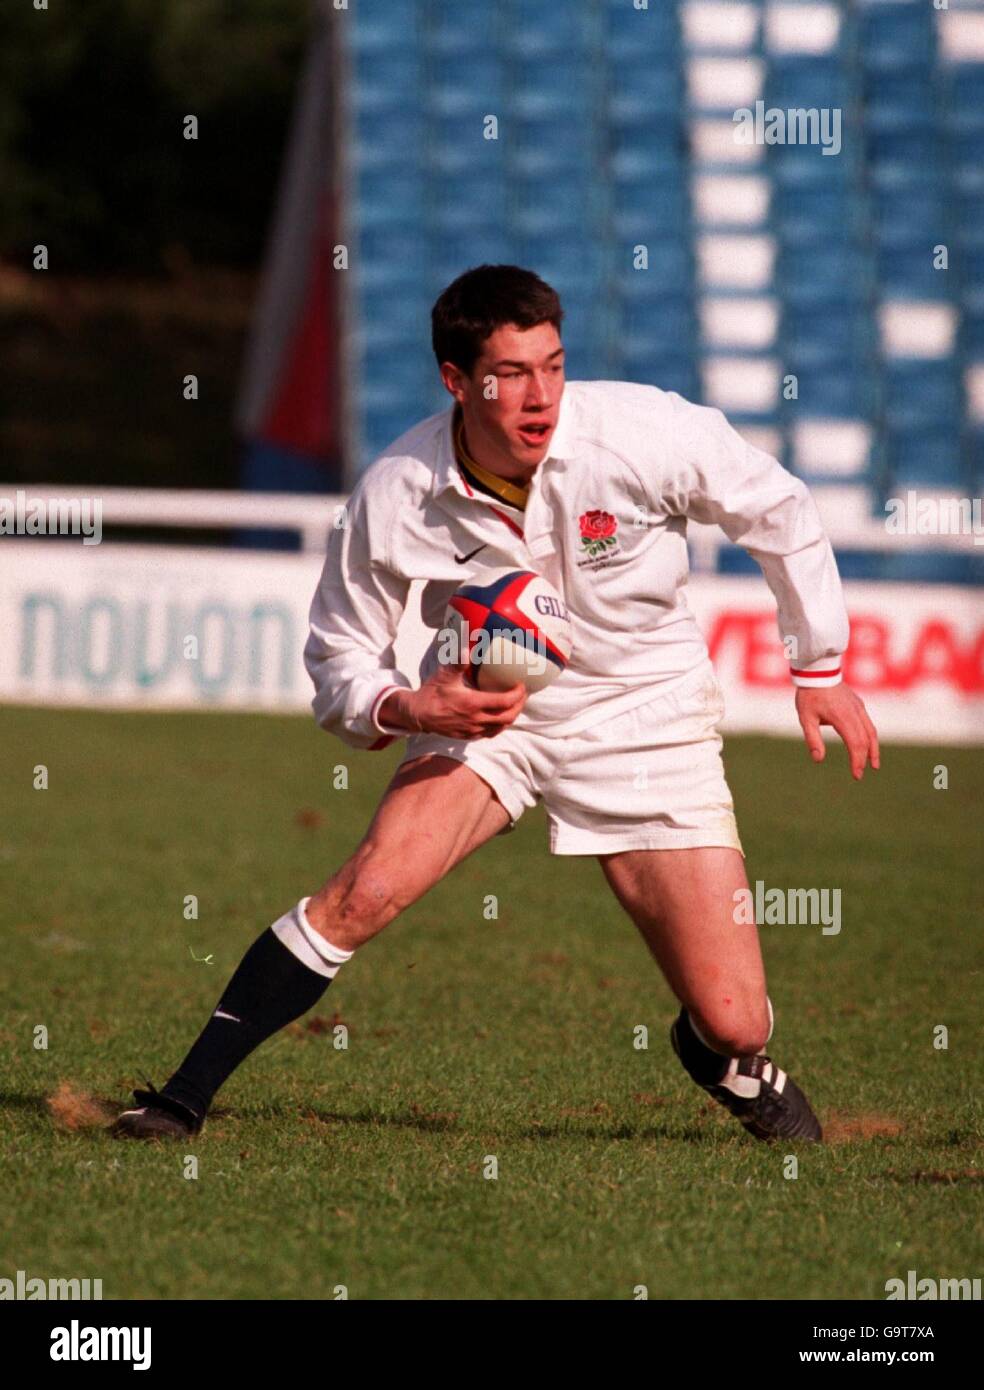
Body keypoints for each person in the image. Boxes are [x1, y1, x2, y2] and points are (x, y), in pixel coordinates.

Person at [113, 265, 879, 1143]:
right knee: (363, 891)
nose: (539, 394)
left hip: (646, 716)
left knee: (738, 1016)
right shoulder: (397, 489)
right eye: (509, 374)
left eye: (551, 364)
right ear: (456, 381)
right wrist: (408, 706)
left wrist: (817, 666)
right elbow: (336, 656)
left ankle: (719, 1057)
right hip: (484, 715)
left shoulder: (644, 430)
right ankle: (179, 1100)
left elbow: (778, 507)